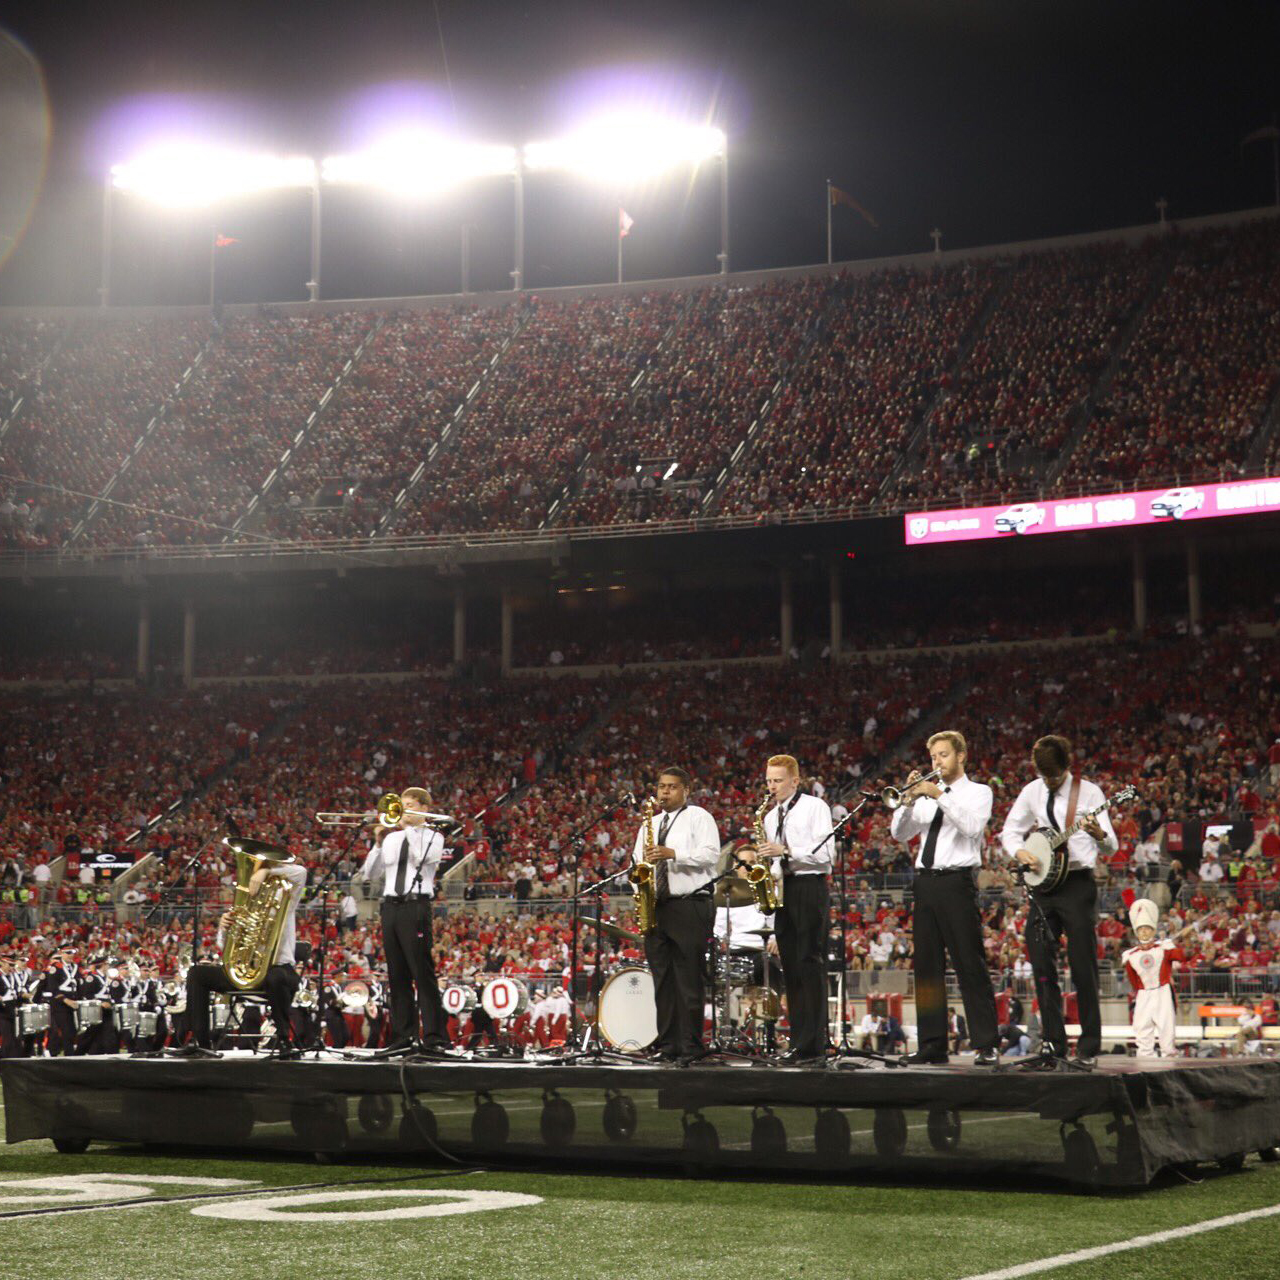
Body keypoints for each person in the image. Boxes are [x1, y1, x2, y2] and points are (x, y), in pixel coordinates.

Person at [1001, 734, 1117, 1067]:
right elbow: (1010, 830)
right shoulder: (1032, 790)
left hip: (1078, 883)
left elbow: (1112, 846)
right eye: (1044, 776)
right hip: (1044, 885)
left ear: (1067, 767)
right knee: (1040, 961)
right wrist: (1021, 851)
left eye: (1054, 775)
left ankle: (1089, 1044)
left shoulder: (1090, 792)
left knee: (1083, 965)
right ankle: (1053, 1042)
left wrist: (1098, 834)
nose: (1049, 782)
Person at [889, 731, 1000, 1066]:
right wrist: (907, 801)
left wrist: (938, 794)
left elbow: (971, 827)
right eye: (933, 756)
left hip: (957, 883)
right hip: (925, 884)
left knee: (969, 963)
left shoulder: (979, 792)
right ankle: (932, 1044)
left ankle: (986, 1043)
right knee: (926, 968)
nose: (936, 762)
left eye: (943, 755)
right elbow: (899, 834)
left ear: (961, 755)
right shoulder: (923, 797)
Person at [747, 753, 834, 1062]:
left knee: (811, 964)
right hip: (783, 889)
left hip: (809, 886)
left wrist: (786, 850)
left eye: (778, 780)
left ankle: (816, 1044)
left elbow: (826, 855)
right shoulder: (770, 817)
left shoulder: (815, 807)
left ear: (795, 780)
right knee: (792, 969)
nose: (772, 787)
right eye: (769, 781)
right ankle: (799, 1042)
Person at [179, 852, 307, 1057]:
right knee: (196, 973)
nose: (253, 873)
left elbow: (301, 872)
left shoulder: (286, 898)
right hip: (246, 972)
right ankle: (200, 1042)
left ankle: (284, 1040)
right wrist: (224, 928)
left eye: (258, 868)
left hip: (279, 969)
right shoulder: (244, 905)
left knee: (276, 977)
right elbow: (225, 947)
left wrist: (266, 871)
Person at [633, 766, 719, 1063]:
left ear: (686, 790)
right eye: (661, 786)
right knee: (663, 981)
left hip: (689, 904)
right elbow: (636, 863)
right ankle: (668, 1046)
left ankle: (692, 1047)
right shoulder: (649, 824)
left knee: (689, 980)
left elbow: (711, 855)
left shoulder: (699, 817)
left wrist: (672, 854)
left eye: (671, 787)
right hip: (657, 906)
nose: (664, 792)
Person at [359, 787, 451, 1053]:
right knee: (397, 974)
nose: (403, 810)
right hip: (391, 907)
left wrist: (410, 826)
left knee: (422, 973)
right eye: (402, 805)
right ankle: (402, 1036)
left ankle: (434, 1036)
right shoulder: (391, 839)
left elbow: (424, 858)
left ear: (423, 807)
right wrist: (378, 843)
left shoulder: (434, 836)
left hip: (416, 905)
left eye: (409, 805)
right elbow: (370, 874)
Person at [1121, 898, 1193, 1059]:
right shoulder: (1130, 955)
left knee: (1166, 1025)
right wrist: (1141, 991)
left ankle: (1169, 1054)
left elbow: (1182, 956)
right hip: (1143, 993)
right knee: (1141, 1025)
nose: (1144, 932)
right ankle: (1145, 1057)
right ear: (1136, 933)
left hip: (1163, 991)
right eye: (1140, 929)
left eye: (1147, 929)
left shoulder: (1164, 948)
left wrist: (1186, 942)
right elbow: (1133, 980)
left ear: (1153, 931)